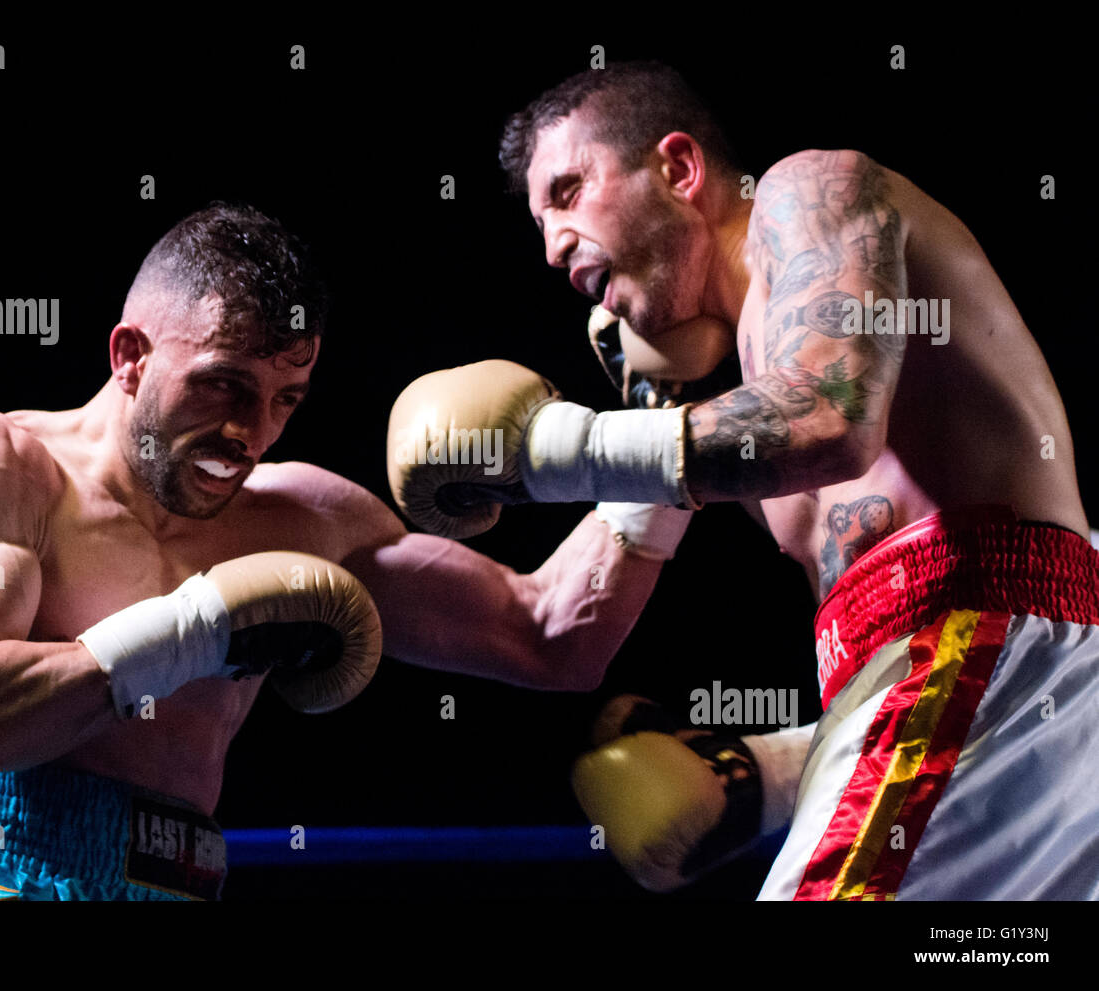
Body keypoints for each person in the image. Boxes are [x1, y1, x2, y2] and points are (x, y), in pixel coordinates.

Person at [386, 62, 1099, 899]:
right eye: (541, 223)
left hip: (983, 647)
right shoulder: (721, 409)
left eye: (569, 192)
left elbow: (831, 419)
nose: (552, 247)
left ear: (679, 168)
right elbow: (562, 634)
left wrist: (544, 450)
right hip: (976, 681)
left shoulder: (812, 191)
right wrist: (762, 775)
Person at [0, 202, 690, 901]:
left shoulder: (301, 517)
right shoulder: (0, 466)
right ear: (129, 356)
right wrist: (195, 627)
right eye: (222, 383)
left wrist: (658, 437)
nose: (250, 431)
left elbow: (551, 633)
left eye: (284, 399)